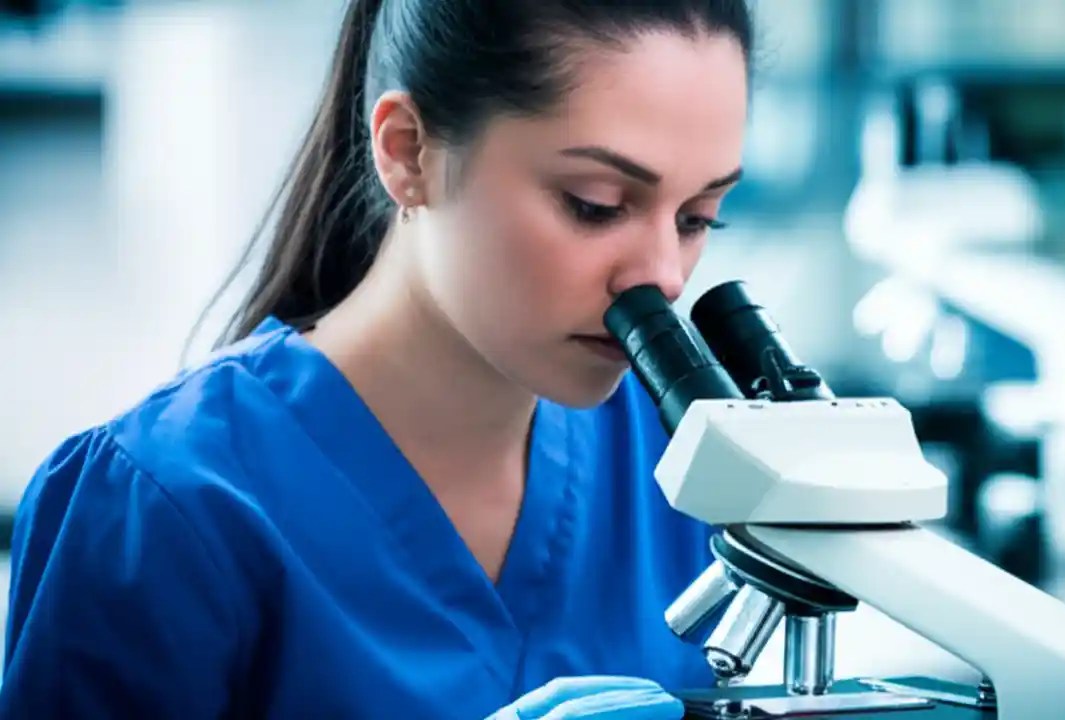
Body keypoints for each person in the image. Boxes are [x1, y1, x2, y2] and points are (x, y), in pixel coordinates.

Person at [0, 0, 753, 717]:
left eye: (697, 218)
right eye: (595, 203)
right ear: (408, 151)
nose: (664, 277)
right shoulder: (160, 504)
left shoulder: (676, 466)